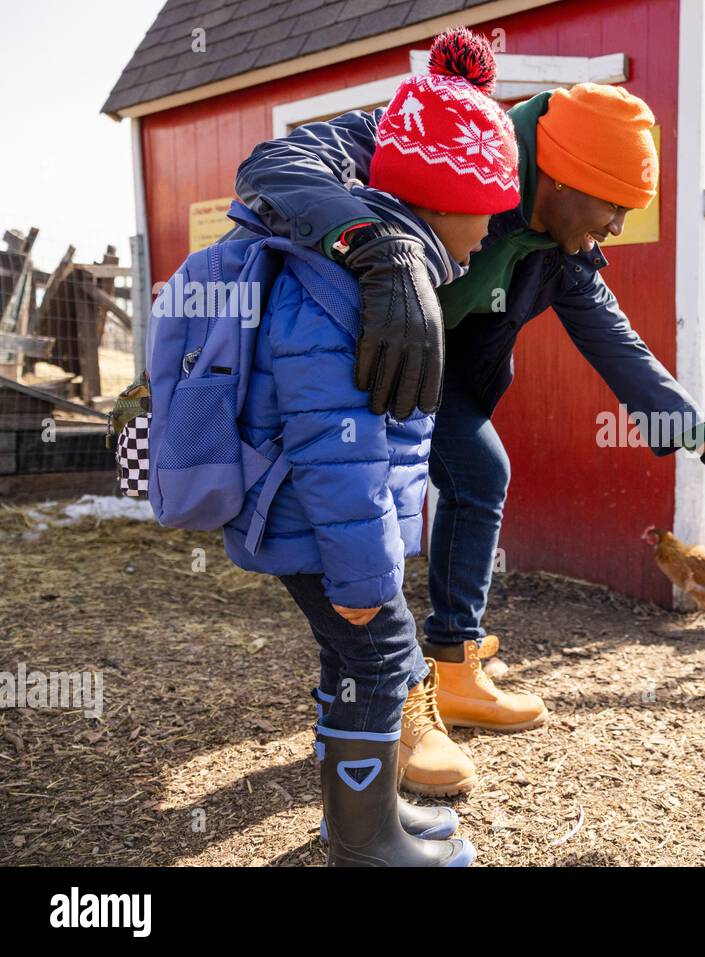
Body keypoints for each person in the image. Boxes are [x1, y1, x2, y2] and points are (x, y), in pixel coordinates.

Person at [234, 55, 705, 798]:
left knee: (478, 473)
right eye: (613, 208)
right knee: (352, 523)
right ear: (561, 182)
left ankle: (453, 662)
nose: (618, 228)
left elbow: (624, 354)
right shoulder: (449, 141)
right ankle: (389, 696)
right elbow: (274, 164)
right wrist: (375, 247)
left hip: (430, 380)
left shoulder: (563, 254)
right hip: (335, 365)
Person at [222, 29, 520, 865]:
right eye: (485, 210)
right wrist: (363, 574)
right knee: (382, 663)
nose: (491, 231)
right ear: (439, 195)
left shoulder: (396, 267)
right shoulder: (356, 286)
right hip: (326, 534)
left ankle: (366, 814)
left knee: (359, 657)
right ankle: (365, 843)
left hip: (328, 529)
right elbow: (337, 444)